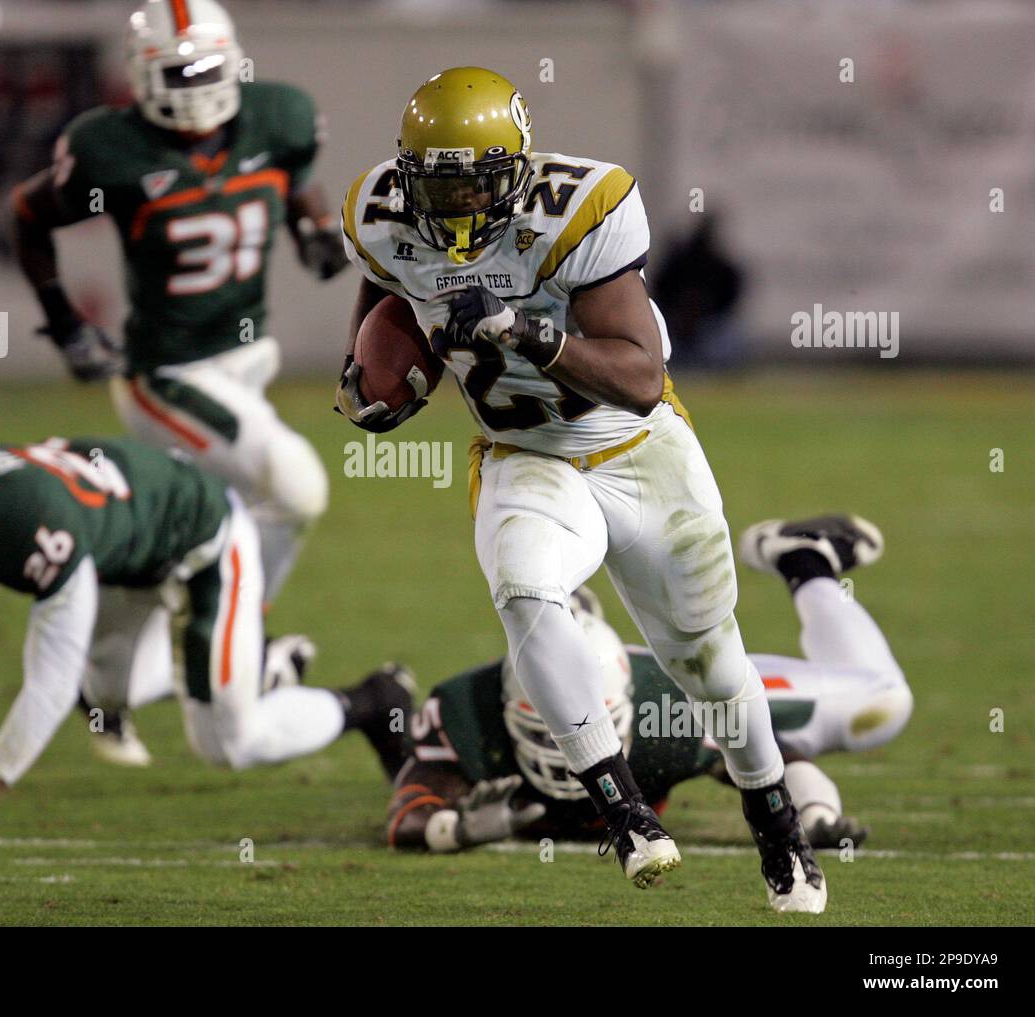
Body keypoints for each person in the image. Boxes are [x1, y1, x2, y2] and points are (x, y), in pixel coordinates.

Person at [335, 67, 825, 911]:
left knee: (709, 662)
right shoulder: (380, 214)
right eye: (435, 182)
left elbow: (640, 377)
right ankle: (625, 811)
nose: (451, 203)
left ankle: (775, 816)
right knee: (524, 586)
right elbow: (387, 291)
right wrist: (372, 383)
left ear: (513, 172)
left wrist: (526, 331)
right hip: (524, 453)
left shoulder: (577, 209)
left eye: (469, 182)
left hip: (636, 448)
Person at [0, 417, 411, 812]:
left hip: (202, 540)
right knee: (104, 700)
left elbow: (50, 676)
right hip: (123, 556)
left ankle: (373, 701)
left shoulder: (39, 524)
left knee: (230, 741)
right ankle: (259, 667)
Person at [12, 0, 348, 602]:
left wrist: (315, 226)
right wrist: (65, 323)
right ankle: (237, 636)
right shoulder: (112, 149)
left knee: (183, 529)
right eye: (179, 74)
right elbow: (28, 215)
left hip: (245, 362)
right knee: (296, 486)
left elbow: (294, 178)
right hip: (167, 374)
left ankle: (118, 675)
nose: (196, 89)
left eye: (208, 71)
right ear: (142, 76)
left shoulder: (278, 119)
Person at [386, 516, 910, 871]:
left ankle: (804, 560)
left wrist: (813, 814)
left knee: (883, 705)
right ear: (510, 708)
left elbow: (769, 757)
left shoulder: (669, 707)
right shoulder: (466, 712)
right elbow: (408, 812)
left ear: (627, 709)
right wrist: (454, 829)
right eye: (548, 727)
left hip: (685, 674)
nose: (571, 749)